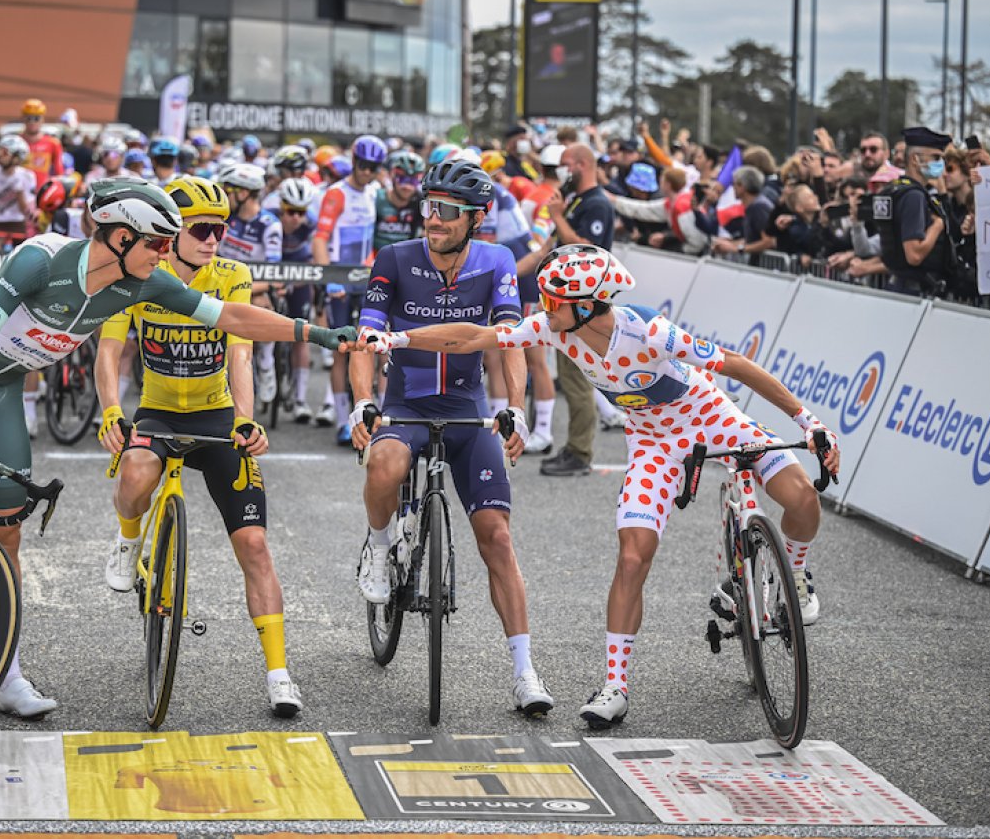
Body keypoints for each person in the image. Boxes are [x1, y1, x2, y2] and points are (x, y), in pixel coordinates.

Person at [0, 177, 357, 717]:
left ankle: (6, 676)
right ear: (122, 236)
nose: (167, 253)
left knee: (5, 534)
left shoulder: (145, 282)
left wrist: (320, 334)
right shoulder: (41, 258)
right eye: (159, 241)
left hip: (0, 391)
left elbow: (231, 315)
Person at [362, 243, 841, 728]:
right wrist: (399, 341)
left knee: (801, 495)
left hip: (710, 418)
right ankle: (615, 686)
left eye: (554, 301)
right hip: (653, 441)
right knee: (633, 554)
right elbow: (475, 338)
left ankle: (794, 576)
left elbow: (734, 364)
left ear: (587, 304)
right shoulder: (557, 329)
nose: (545, 310)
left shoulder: (648, 329)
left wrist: (808, 422)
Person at [349, 158, 553, 717]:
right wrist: (364, 402)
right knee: (383, 466)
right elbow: (368, 337)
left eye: (444, 210)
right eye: (427, 207)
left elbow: (507, 338)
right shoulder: (394, 258)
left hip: (467, 407)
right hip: (407, 402)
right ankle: (381, 543)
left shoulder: (497, 261)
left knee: (497, 538)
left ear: (476, 218)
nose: (431, 218)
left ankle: (525, 671)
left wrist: (515, 407)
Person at [95, 175, 304, 717]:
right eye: (202, 229)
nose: (214, 239)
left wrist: (246, 419)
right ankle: (126, 541)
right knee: (136, 475)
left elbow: (240, 353)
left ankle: (279, 674)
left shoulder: (232, 274)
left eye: (221, 229)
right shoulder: (140, 272)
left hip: (215, 415)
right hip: (158, 410)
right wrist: (111, 410)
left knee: (254, 545)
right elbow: (111, 350)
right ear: (171, 234)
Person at [539, 143, 615, 478]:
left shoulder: (597, 203)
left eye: (567, 165)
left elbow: (589, 250)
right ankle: (574, 447)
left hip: (584, 304)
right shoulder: (581, 201)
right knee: (571, 378)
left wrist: (557, 217)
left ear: (582, 165)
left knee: (577, 380)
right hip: (567, 301)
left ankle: (580, 452)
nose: (562, 172)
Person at [312, 134, 382, 444]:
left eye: (374, 167)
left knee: (370, 346)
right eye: (364, 166)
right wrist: (331, 278)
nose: (368, 172)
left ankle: (367, 412)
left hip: (364, 277)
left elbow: (372, 238)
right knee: (342, 348)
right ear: (354, 163)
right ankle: (342, 419)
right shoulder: (336, 194)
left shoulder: (374, 192)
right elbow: (319, 239)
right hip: (340, 277)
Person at [216, 162, 282, 408]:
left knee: (261, 306)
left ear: (244, 193)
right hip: (225, 286)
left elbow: (275, 274)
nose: (226, 194)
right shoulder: (226, 220)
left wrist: (245, 289)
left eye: (229, 190)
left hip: (257, 287)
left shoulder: (269, 224)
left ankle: (265, 363)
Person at [871, 126, 958, 296]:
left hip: (900, 285)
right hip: (914, 291)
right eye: (935, 157)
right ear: (915, 159)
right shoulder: (914, 196)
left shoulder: (895, 189)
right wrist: (937, 227)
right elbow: (914, 255)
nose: (940, 164)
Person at [275, 176, 319, 423]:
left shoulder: (310, 223)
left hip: (299, 270)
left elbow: (315, 260)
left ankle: (301, 399)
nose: (295, 218)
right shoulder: (269, 217)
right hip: (273, 270)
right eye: (290, 211)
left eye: (300, 212)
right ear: (281, 206)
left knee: (301, 333)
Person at [0, 135, 37, 249]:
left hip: (17, 223)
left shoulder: (27, 176)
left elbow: (27, 212)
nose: (0, 155)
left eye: (5, 152)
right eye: (0, 150)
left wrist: (19, 191)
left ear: (16, 158)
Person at [20, 99, 64, 188]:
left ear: (42, 120)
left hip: (41, 193)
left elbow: (59, 173)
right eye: (29, 118)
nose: (32, 122)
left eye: (36, 118)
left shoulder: (53, 143)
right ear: (23, 119)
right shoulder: (16, 141)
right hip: (18, 194)